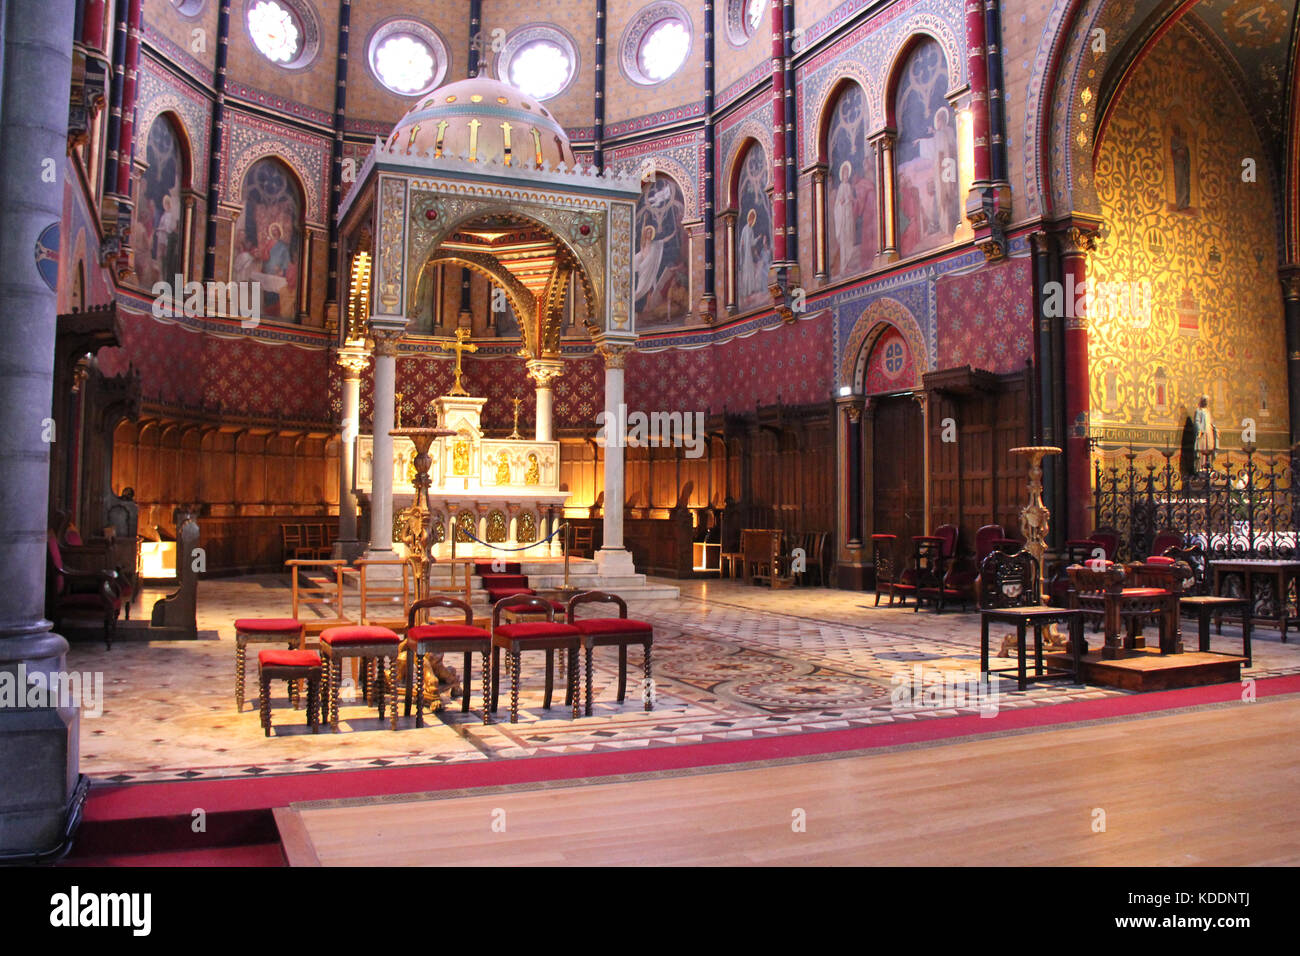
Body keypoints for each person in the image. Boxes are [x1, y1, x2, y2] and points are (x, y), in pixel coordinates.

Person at [1193, 395, 1217, 471]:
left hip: (1209, 431)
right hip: (1202, 432)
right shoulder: (1199, 411)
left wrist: (1215, 429)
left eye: (1207, 401)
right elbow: (1197, 421)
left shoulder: (1208, 411)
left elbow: (1210, 421)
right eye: (1205, 400)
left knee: (1209, 447)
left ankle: (1208, 466)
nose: (1206, 402)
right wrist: (1199, 430)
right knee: (1202, 448)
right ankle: (1201, 467)